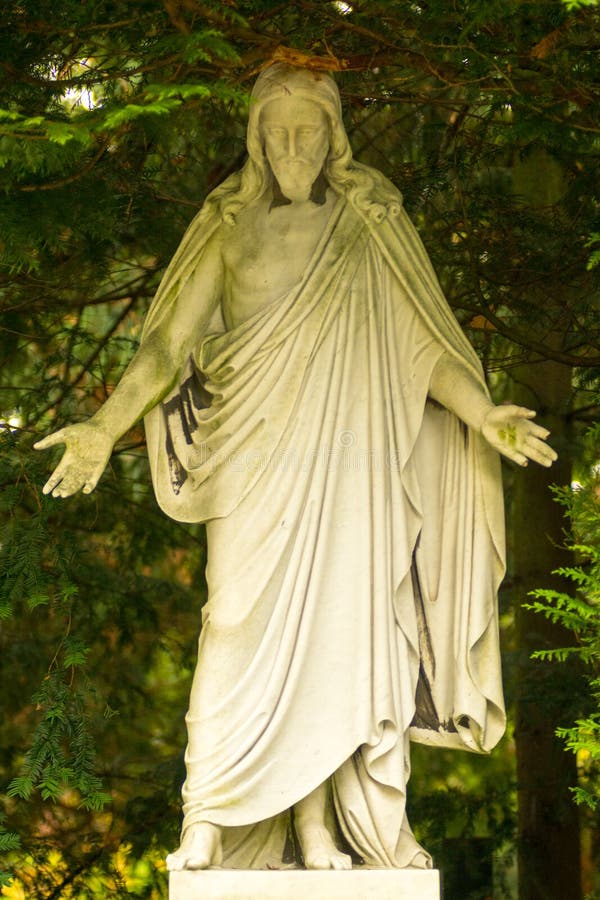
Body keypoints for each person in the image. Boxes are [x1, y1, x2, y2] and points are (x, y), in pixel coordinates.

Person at [35, 63, 557, 871]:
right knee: (234, 623)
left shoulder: (368, 227)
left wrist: (483, 413)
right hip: (251, 460)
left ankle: (315, 827)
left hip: (349, 467)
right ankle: (208, 810)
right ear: (254, 136)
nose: (291, 145)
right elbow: (169, 347)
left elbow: (421, 344)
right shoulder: (229, 226)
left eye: (307, 128)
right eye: (275, 131)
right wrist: (105, 427)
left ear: (334, 134)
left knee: (337, 637)